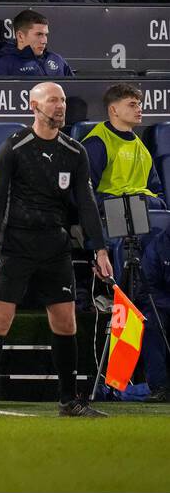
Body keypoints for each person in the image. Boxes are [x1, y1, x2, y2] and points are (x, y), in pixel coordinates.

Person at [0, 82, 112, 418]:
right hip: (17, 244)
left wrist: (100, 249)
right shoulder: (15, 146)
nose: (60, 106)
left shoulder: (74, 152)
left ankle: (68, 400)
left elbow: (88, 205)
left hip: (55, 246)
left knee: (66, 324)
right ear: (34, 105)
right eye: (52, 100)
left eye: (62, 100)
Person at [80, 84, 164, 214]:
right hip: (114, 217)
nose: (139, 109)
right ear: (114, 110)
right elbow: (84, 195)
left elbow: (157, 192)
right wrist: (124, 205)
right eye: (132, 105)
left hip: (145, 213)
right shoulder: (96, 143)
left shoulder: (141, 148)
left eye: (139, 104)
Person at [0, 8, 74, 77]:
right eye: (39, 34)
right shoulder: (4, 65)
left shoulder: (57, 60)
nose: (44, 41)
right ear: (20, 36)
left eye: (45, 35)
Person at [137, 225, 170, 399]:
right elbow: (147, 288)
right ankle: (160, 387)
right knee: (150, 324)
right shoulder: (158, 245)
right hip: (162, 304)